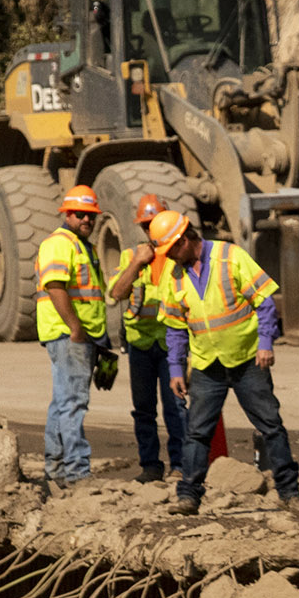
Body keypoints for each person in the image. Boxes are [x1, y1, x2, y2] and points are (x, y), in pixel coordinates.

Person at [152, 209, 299, 516]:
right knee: (197, 433)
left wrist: (266, 343)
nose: (169, 257)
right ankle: (188, 497)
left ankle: (289, 492)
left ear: (184, 240)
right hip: (206, 365)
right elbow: (174, 327)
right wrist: (175, 368)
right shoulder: (174, 277)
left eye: (170, 249)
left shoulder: (230, 256)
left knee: (271, 427)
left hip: (248, 360)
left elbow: (263, 302)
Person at [108, 192, 186, 484]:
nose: (150, 228)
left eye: (154, 222)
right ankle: (151, 466)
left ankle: (179, 465)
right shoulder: (132, 256)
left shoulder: (178, 257)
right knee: (143, 409)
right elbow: (116, 294)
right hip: (141, 344)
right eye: (146, 224)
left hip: (170, 345)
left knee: (176, 408)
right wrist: (136, 264)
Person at [36, 185, 110, 488]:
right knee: (73, 403)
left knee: (62, 402)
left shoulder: (82, 246)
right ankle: (77, 471)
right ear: (66, 214)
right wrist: (76, 328)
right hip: (69, 335)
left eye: (91, 216)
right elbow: (56, 287)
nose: (87, 220)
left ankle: (55, 467)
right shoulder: (60, 243)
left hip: (78, 335)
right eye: (80, 215)